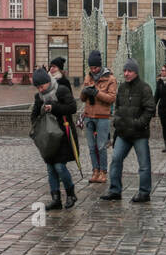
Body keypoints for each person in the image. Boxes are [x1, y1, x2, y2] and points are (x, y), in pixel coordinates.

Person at [100, 60, 155, 203]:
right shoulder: (122, 88)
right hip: (123, 133)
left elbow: (150, 109)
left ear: (136, 72)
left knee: (144, 165)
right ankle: (115, 190)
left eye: (129, 71)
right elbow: (117, 107)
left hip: (139, 134)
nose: (126, 73)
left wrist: (139, 123)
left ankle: (144, 193)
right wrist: (117, 121)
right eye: (125, 71)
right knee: (116, 160)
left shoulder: (144, 88)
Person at [31, 67, 80, 210]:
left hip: (63, 135)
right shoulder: (38, 97)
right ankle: (56, 199)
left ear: (48, 81)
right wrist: (41, 112)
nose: (40, 89)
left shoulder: (62, 90)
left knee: (59, 166)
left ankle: (71, 193)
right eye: (37, 87)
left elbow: (72, 108)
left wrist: (53, 107)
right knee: (51, 168)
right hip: (47, 138)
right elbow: (34, 116)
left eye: (42, 86)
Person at [80, 51, 117, 185]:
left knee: (101, 146)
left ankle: (103, 172)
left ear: (100, 66)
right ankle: (95, 171)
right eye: (91, 68)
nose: (93, 70)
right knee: (91, 147)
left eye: (95, 67)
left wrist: (96, 92)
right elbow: (82, 99)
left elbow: (112, 99)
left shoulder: (110, 79)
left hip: (102, 116)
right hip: (89, 116)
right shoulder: (88, 77)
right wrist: (84, 92)